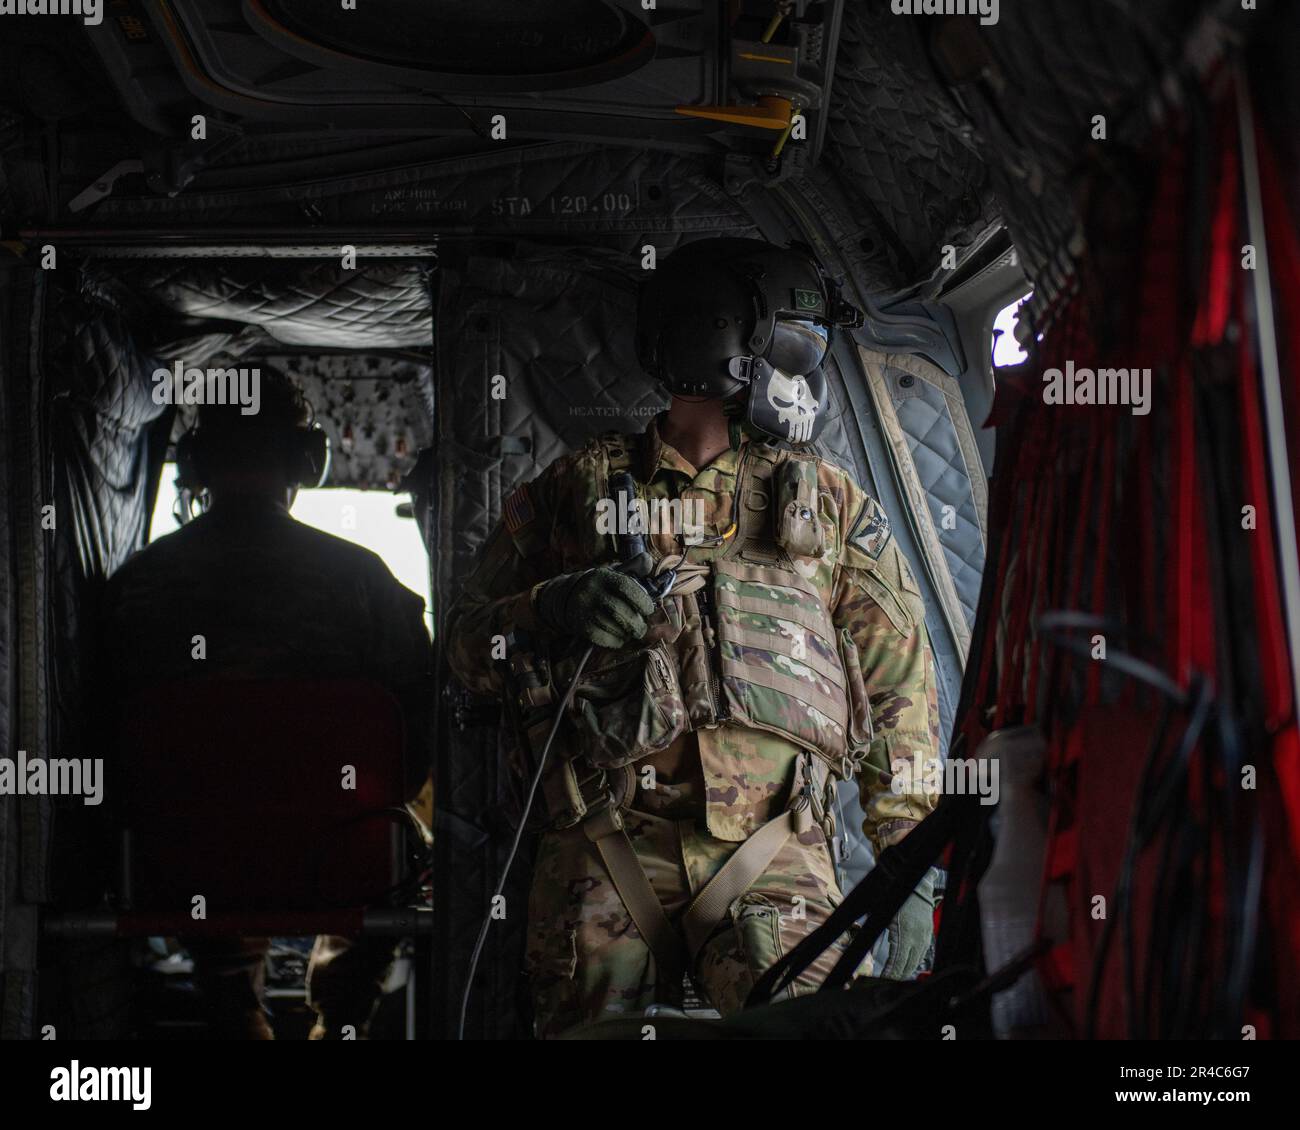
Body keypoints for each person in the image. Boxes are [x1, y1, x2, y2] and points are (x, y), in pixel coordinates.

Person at [446, 238, 943, 1037]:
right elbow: (467, 653)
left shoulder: (830, 506)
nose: (801, 372)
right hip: (604, 844)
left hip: (773, 851)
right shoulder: (574, 494)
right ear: (726, 346)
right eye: (789, 347)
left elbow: (900, 685)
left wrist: (909, 859)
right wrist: (552, 606)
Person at [100, 367, 432, 1039]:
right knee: (404, 838)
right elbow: (417, 736)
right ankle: (339, 1013)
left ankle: (234, 1002)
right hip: (343, 862)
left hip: (184, 862)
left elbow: (109, 737)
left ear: (195, 464)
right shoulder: (365, 579)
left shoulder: (135, 587)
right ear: (308, 462)